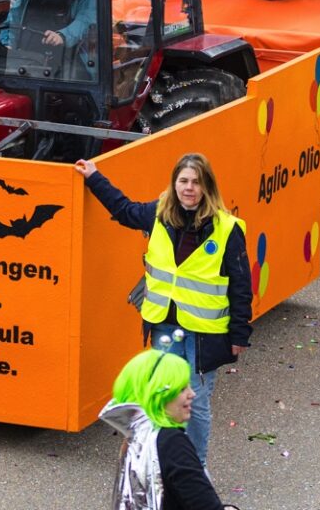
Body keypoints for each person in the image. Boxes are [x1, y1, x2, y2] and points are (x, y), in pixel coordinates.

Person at [74, 153, 251, 468]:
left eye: (196, 182)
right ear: (174, 184)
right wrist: (93, 176)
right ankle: (165, 465)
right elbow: (124, 210)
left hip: (204, 334)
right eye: (183, 181)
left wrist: (239, 333)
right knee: (164, 398)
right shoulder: (159, 214)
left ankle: (194, 471)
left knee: (194, 403)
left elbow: (240, 284)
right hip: (165, 327)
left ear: (207, 187)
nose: (189, 188)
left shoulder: (227, 229)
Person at [98, 348, 237, 510]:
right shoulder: (172, 442)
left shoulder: (135, 434)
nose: (191, 394)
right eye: (181, 389)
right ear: (159, 396)